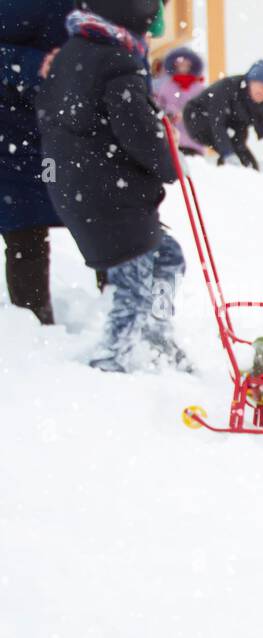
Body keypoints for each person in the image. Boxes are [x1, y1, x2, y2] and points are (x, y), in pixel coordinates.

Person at [38, 0, 190, 373]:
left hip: (81, 189)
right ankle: (111, 361)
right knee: (133, 289)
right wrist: (171, 161)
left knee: (168, 257)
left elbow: (58, 116)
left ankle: (155, 335)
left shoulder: (70, 53)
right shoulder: (117, 61)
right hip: (109, 195)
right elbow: (138, 132)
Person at [0, 0, 74, 327]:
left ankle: (120, 322)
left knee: (111, 224)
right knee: (24, 228)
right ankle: (36, 332)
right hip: (13, 130)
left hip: (78, 127)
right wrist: (34, 63)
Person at [183, 59, 263, 171]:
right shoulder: (227, 87)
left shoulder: (261, 105)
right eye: (261, 87)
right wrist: (228, 155)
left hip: (230, 126)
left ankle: (235, 169)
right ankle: (225, 172)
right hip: (198, 118)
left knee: (249, 166)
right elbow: (217, 123)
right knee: (232, 158)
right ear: (251, 81)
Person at [153, 45, 206, 155]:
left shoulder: (199, 87)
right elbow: (159, 105)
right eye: (180, 63)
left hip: (193, 139)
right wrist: (170, 113)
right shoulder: (168, 85)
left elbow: (204, 108)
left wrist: (188, 114)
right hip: (173, 137)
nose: (183, 66)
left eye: (186, 63)